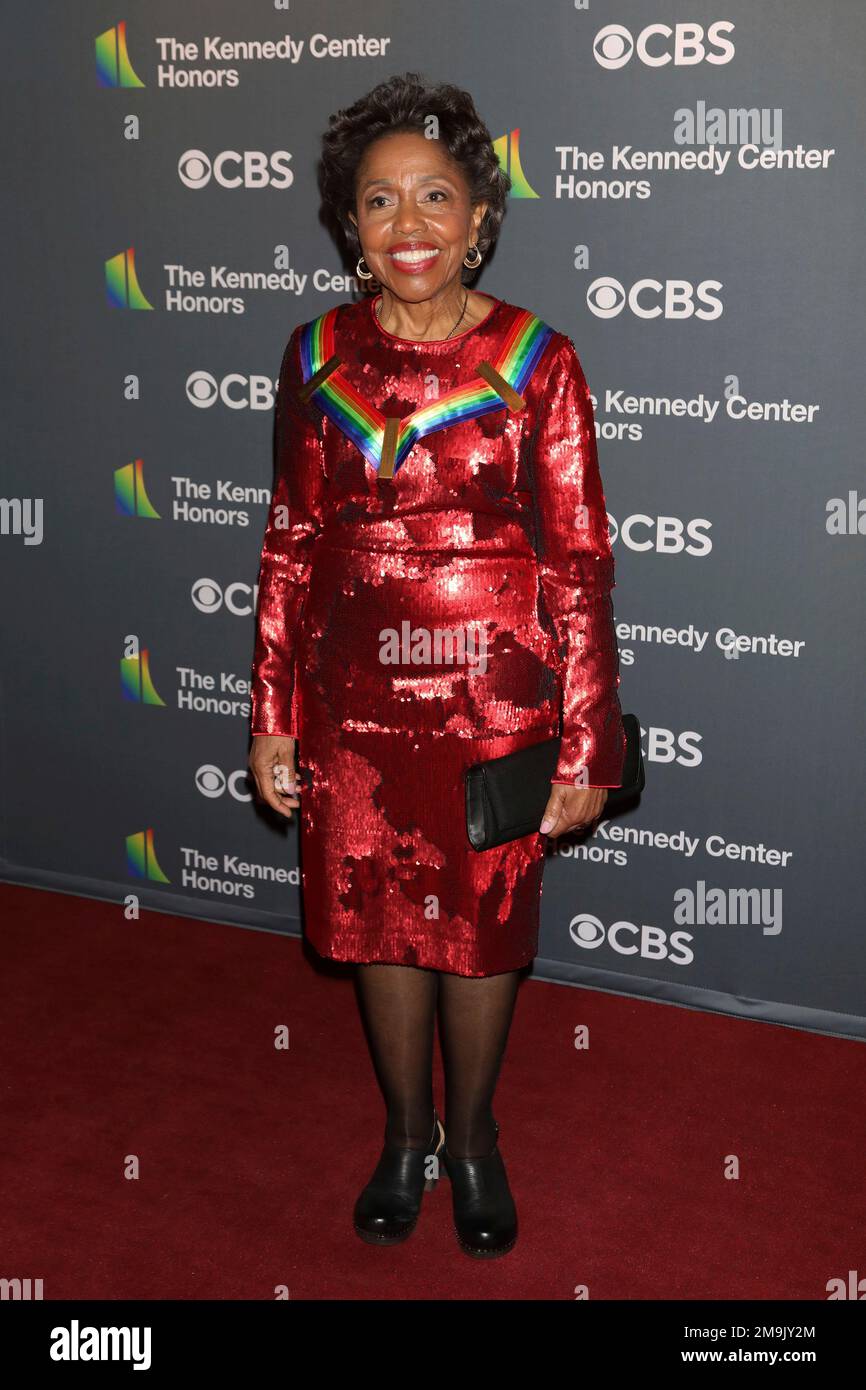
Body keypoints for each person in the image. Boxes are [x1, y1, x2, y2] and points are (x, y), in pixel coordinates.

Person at [248, 72, 625, 1260]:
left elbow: (577, 562)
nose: (407, 225)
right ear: (348, 226)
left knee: (477, 933)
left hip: (490, 703)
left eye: (433, 198)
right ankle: (401, 1136)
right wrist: (273, 712)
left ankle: (472, 1141)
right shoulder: (312, 355)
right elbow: (291, 542)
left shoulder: (537, 359)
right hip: (353, 707)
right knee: (370, 927)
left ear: (477, 217)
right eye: (377, 202)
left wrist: (584, 739)